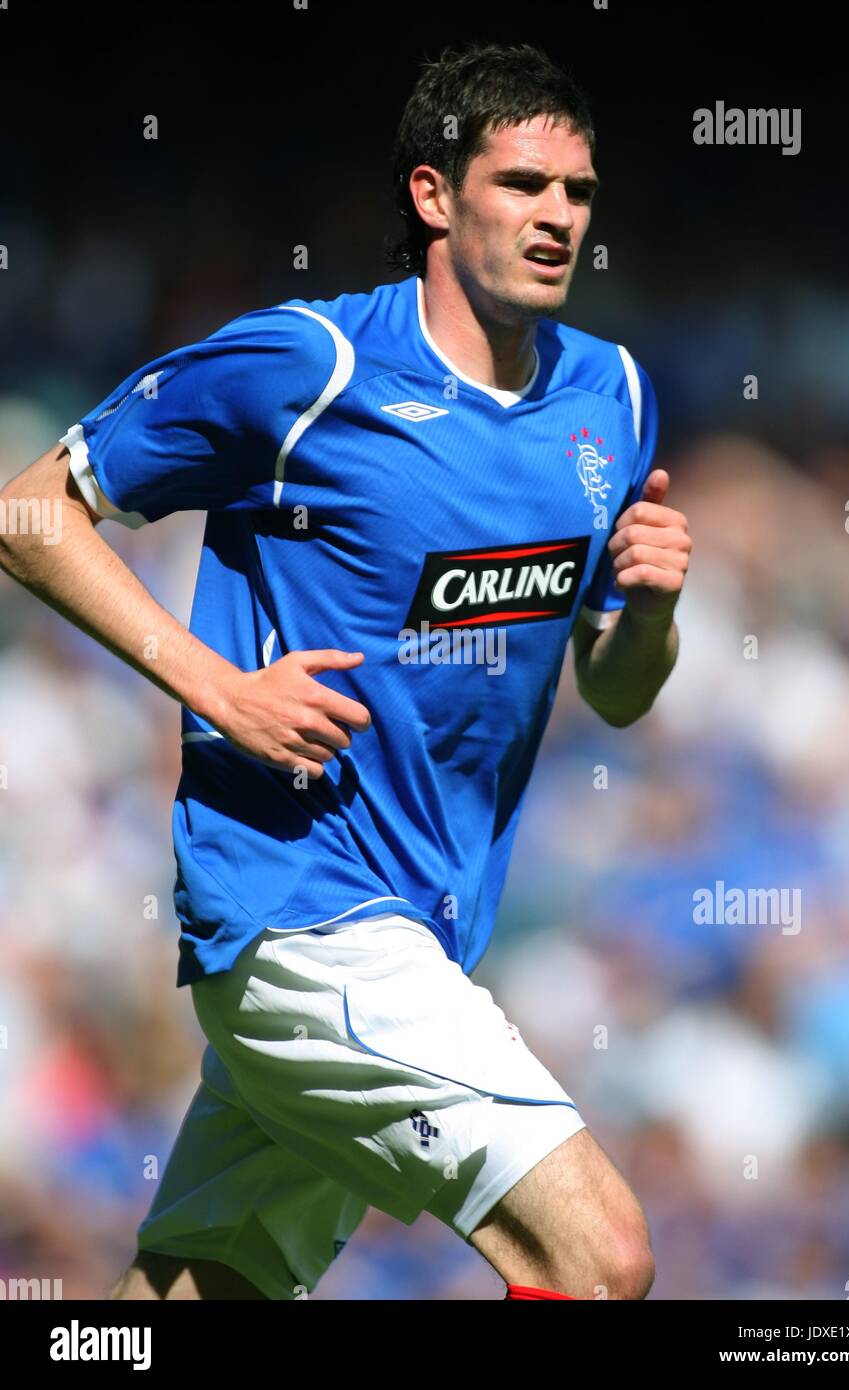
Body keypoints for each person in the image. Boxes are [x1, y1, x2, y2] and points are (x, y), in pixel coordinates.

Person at [0, 41, 691, 1300]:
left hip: (425, 930)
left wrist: (645, 612)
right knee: (601, 1253)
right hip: (301, 915)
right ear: (433, 194)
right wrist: (218, 687)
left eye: (577, 193)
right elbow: (31, 514)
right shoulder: (305, 368)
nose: (556, 217)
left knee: (204, 1294)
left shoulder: (612, 394)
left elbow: (620, 688)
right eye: (522, 183)